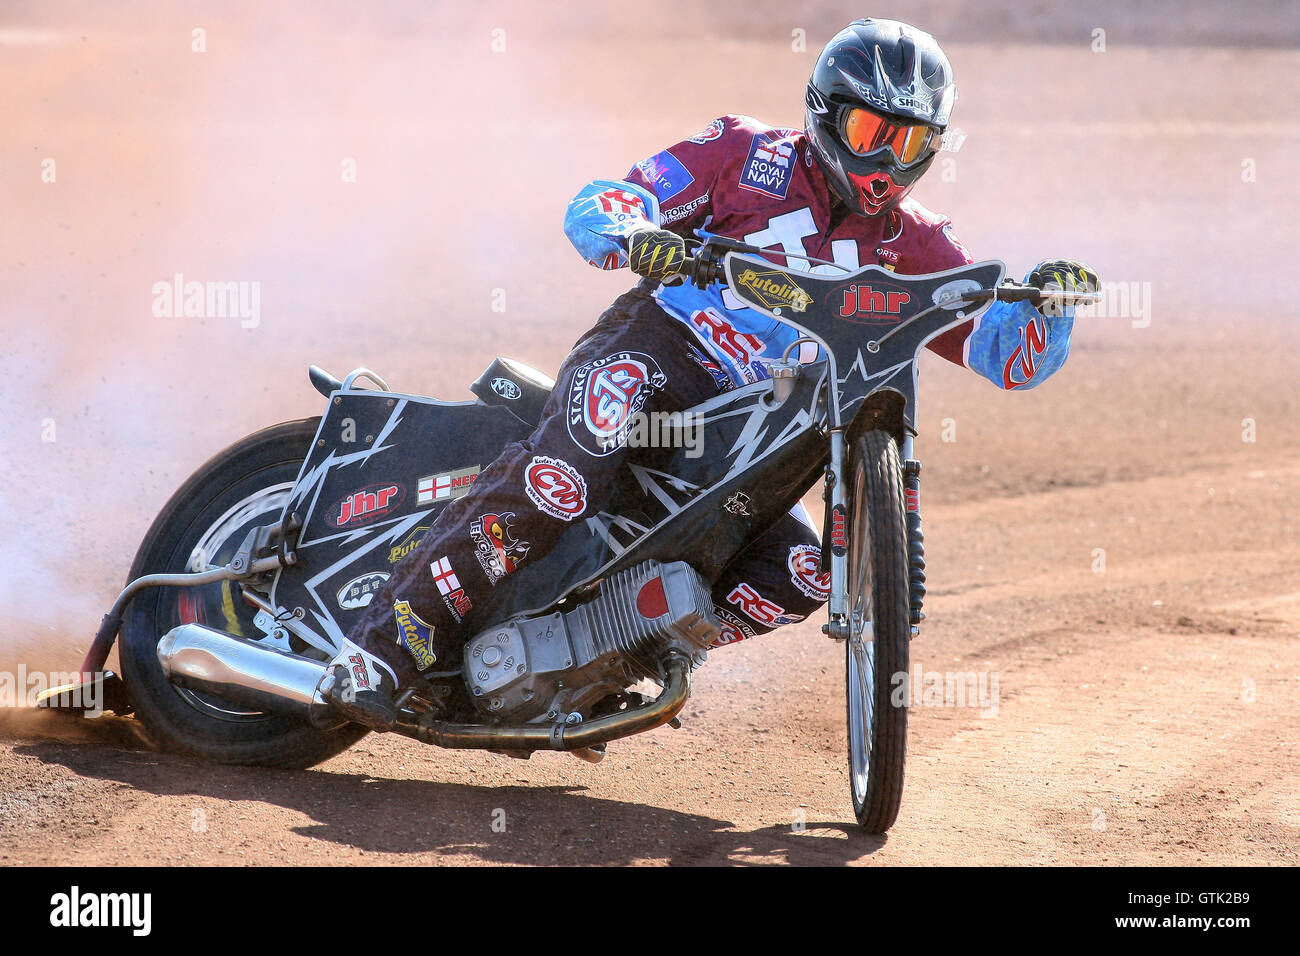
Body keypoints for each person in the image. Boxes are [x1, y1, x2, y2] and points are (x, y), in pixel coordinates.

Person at [324, 17, 1100, 730]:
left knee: (799, 572)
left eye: (909, 141)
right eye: (870, 130)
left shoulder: (918, 244)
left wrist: (1050, 307)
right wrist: (635, 235)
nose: (886, 162)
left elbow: (1004, 352)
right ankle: (380, 649)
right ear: (825, 114)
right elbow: (605, 199)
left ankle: (608, 660)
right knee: (565, 471)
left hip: (750, 429)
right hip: (661, 350)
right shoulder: (742, 154)